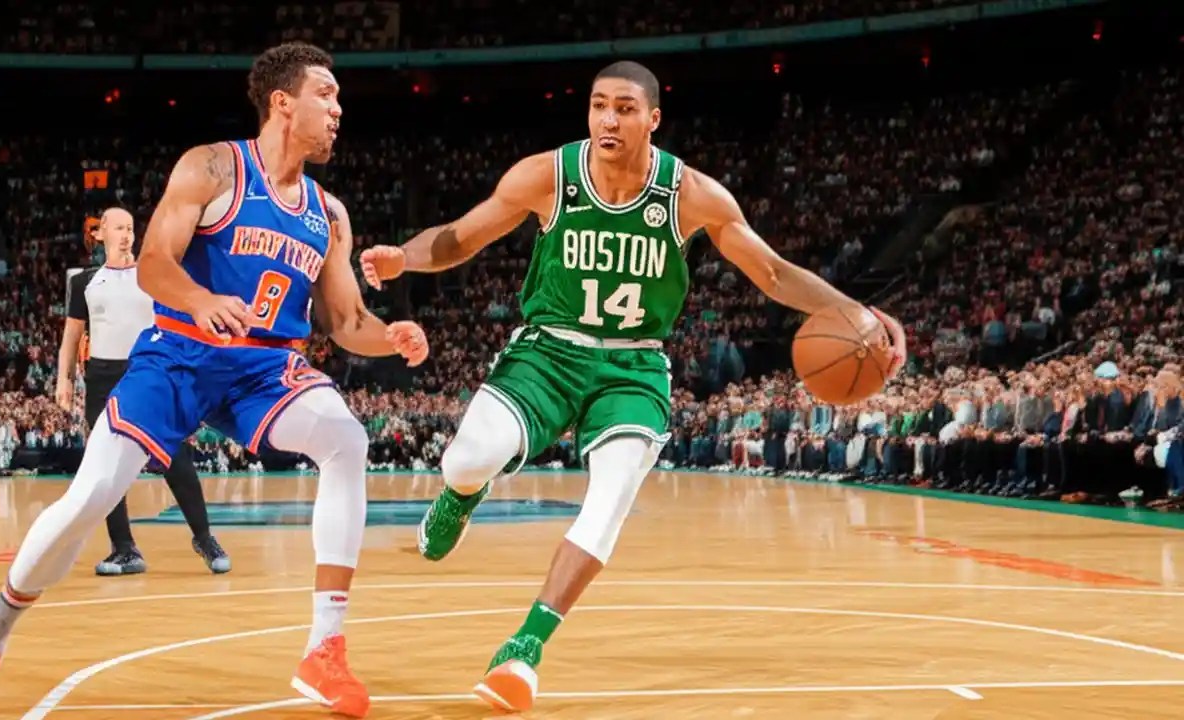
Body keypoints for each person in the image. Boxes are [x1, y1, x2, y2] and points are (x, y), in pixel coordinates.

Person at [359, 60, 906, 713]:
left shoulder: (692, 194)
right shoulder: (548, 175)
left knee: (611, 496)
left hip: (633, 364)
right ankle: (458, 495)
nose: (607, 120)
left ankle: (524, 649)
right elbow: (459, 239)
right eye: (597, 106)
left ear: (652, 118)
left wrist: (860, 315)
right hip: (548, 350)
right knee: (468, 458)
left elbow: (773, 273)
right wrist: (404, 256)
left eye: (623, 108)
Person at [0, 42, 428, 720]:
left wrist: (387, 336)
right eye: (326, 96)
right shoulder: (213, 167)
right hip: (179, 354)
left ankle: (323, 650)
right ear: (283, 102)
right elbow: (154, 264)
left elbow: (342, 319)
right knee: (92, 494)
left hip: (263, 366)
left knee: (347, 439)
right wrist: (198, 300)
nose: (339, 110)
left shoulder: (327, 213)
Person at [56, 206, 231, 577]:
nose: (126, 235)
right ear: (100, 232)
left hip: (149, 372)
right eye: (118, 228)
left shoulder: (152, 276)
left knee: (174, 456)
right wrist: (64, 381)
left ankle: (204, 537)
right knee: (107, 468)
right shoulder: (83, 282)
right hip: (102, 377)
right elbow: (72, 335)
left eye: (130, 229)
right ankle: (124, 549)